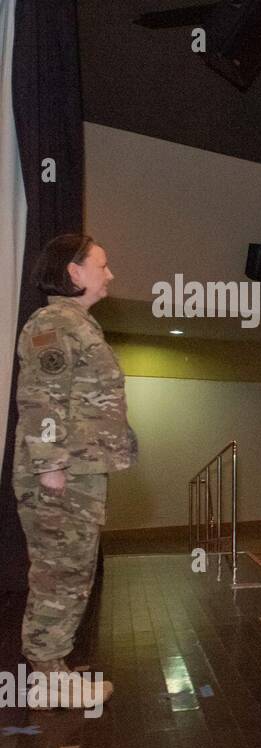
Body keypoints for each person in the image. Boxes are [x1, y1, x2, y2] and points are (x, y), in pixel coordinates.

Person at [13, 234, 135, 709]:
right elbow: (41, 397)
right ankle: (47, 677)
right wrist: (50, 469)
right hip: (62, 477)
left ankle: (51, 671)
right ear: (74, 272)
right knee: (60, 574)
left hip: (78, 473)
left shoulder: (76, 324)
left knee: (70, 572)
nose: (109, 274)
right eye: (101, 265)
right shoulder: (53, 324)